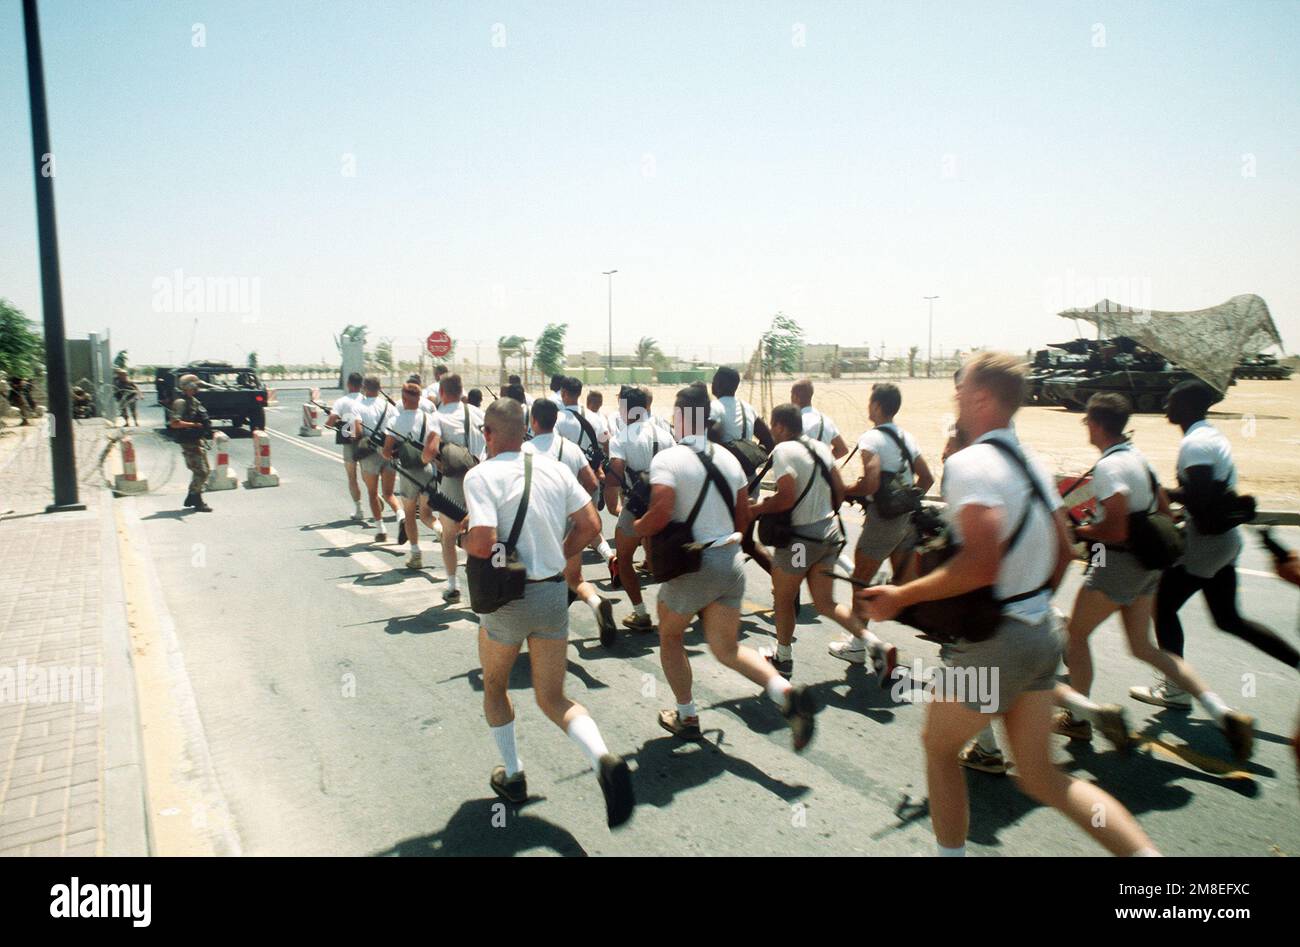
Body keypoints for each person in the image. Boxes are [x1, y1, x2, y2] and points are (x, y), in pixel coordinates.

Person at [857, 353, 1158, 856]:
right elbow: (1064, 551)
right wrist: (1031, 603)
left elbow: (979, 564)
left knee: (939, 747)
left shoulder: (970, 463)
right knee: (1042, 777)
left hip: (993, 647)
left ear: (980, 398)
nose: (955, 398)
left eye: (960, 390)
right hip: (1040, 635)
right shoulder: (1034, 464)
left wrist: (899, 597)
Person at [462, 397, 635, 827]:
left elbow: (483, 544)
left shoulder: (481, 475)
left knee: (495, 687)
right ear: (525, 430)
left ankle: (515, 775)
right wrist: (558, 555)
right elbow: (592, 525)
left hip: (507, 601)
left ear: (487, 434)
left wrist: (462, 540)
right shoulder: (555, 469)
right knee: (553, 696)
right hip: (552, 595)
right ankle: (602, 759)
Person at [1054, 393, 1252, 760]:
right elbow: (1165, 510)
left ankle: (1079, 719)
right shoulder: (1138, 458)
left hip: (1118, 566)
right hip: (1150, 568)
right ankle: (1221, 712)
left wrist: (1079, 531)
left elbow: (1115, 532)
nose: (1086, 428)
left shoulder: (1109, 468)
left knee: (1076, 635)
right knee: (1144, 647)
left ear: (1095, 424)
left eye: (1087, 422)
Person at [635, 383, 818, 751]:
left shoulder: (668, 460)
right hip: (730, 562)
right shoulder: (729, 458)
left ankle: (686, 716)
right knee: (727, 649)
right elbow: (741, 517)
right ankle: (785, 693)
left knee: (670, 636)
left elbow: (660, 512)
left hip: (693, 564)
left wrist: (638, 530)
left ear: (681, 417)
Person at [1134, 380, 1300, 708]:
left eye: (1172, 400)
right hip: (1225, 542)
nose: (1166, 404)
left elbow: (1201, 496)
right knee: (1228, 619)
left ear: (1187, 406)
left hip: (1206, 545)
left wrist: (1160, 492)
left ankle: (1176, 688)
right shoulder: (1210, 436)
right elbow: (1206, 496)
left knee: (1163, 607)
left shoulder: (1195, 444)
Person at [751, 403, 896, 683]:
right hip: (829, 535)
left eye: (773, 426)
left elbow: (786, 498)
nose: (771, 431)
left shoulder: (782, 451)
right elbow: (839, 491)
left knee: (782, 597)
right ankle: (876, 644)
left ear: (780, 426)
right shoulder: (819, 447)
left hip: (799, 544)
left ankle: (783, 656)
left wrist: (755, 509)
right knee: (826, 602)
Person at [833, 383, 934, 666]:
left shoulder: (871, 438)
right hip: (906, 521)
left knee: (860, 581)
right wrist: (906, 501)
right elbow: (926, 479)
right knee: (904, 584)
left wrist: (843, 489)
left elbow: (871, 482)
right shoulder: (906, 436)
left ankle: (856, 644)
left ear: (877, 406)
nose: (868, 407)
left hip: (883, 520)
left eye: (870, 402)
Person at [526, 399, 617, 644]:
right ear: (555, 420)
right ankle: (596, 602)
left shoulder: (526, 451)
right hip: (569, 522)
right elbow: (591, 482)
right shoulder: (570, 448)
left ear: (533, 421)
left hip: (540, 522)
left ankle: (539, 629)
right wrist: (575, 507)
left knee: (534, 577)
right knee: (574, 578)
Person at [604, 385, 674, 632]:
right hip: (664, 503)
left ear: (625, 409)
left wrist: (613, 504)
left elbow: (615, 475)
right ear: (645, 406)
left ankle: (640, 613)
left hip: (636, 506)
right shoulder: (665, 434)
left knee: (623, 559)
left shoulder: (620, 438)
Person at [708, 366, 775, 577]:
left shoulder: (713, 408)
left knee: (714, 540)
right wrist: (750, 455)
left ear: (718, 384)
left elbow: (705, 444)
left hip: (723, 486)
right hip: (750, 484)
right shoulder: (748, 408)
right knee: (746, 542)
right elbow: (769, 441)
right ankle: (783, 582)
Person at [426, 373, 487, 602]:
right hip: (482, 477)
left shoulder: (438, 416)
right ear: (462, 391)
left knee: (449, 536)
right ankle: (487, 583)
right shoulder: (478, 412)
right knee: (482, 530)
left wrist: (428, 460)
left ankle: (453, 586)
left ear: (442, 393)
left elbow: (430, 450)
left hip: (454, 481)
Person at [556, 376, 618, 579]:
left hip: (564, 479)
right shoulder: (595, 417)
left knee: (561, 527)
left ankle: (563, 572)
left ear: (564, 393)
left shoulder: (557, 419)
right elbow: (605, 442)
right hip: (590, 476)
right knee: (588, 523)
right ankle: (609, 556)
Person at [381, 383, 440, 570]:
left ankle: (415, 554)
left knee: (409, 514)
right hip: (428, 471)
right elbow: (433, 448)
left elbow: (386, 452)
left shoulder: (394, 422)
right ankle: (440, 530)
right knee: (426, 514)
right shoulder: (431, 420)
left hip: (407, 474)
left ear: (404, 399)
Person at [350, 376, 401, 541]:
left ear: (364, 388)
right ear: (380, 388)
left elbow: (356, 433)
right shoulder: (389, 407)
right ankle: (400, 516)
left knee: (373, 494)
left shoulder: (357, 407)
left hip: (369, 455)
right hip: (388, 451)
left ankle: (381, 530)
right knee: (389, 493)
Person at [168, 374, 213, 512]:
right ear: (188, 387)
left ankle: (194, 497)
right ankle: (195, 498)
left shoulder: (193, 401)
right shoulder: (181, 402)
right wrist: (194, 425)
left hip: (196, 440)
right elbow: (174, 423)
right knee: (201, 472)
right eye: (195, 386)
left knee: (204, 470)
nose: (197, 389)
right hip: (188, 442)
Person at [325, 372, 367, 521]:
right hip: (366, 441)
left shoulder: (341, 401)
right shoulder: (366, 400)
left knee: (352, 477)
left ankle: (359, 509)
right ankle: (376, 497)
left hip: (349, 440)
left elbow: (330, 422)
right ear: (362, 385)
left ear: (349, 384)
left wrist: (330, 422)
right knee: (369, 474)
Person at [790, 378, 849, 459]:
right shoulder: (826, 420)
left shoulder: (795, 422)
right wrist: (824, 463)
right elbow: (842, 449)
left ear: (795, 397)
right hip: (824, 471)